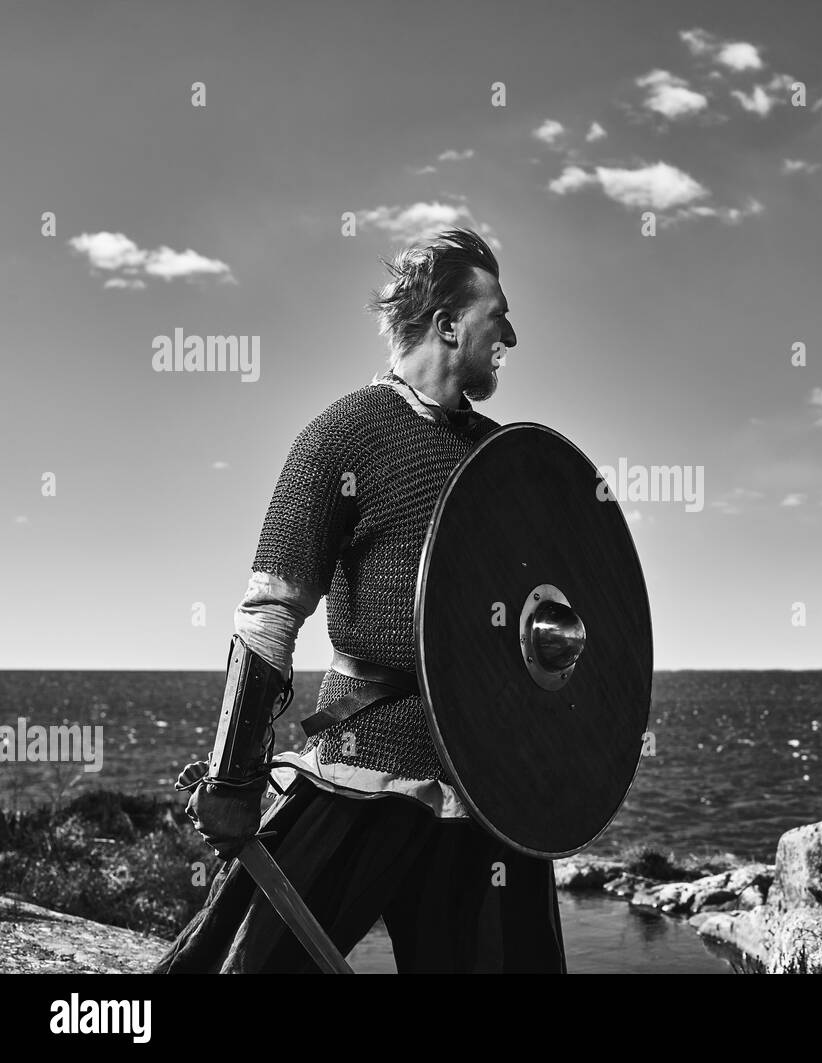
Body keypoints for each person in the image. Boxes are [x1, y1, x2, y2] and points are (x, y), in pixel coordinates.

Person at [155, 229, 566, 973]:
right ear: (446, 323)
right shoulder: (345, 434)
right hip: (365, 763)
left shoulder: (501, 461)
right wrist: (233, 780)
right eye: (495, 314)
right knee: (244, 967)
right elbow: (271, 611)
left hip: (483, 789)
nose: (509, 333)